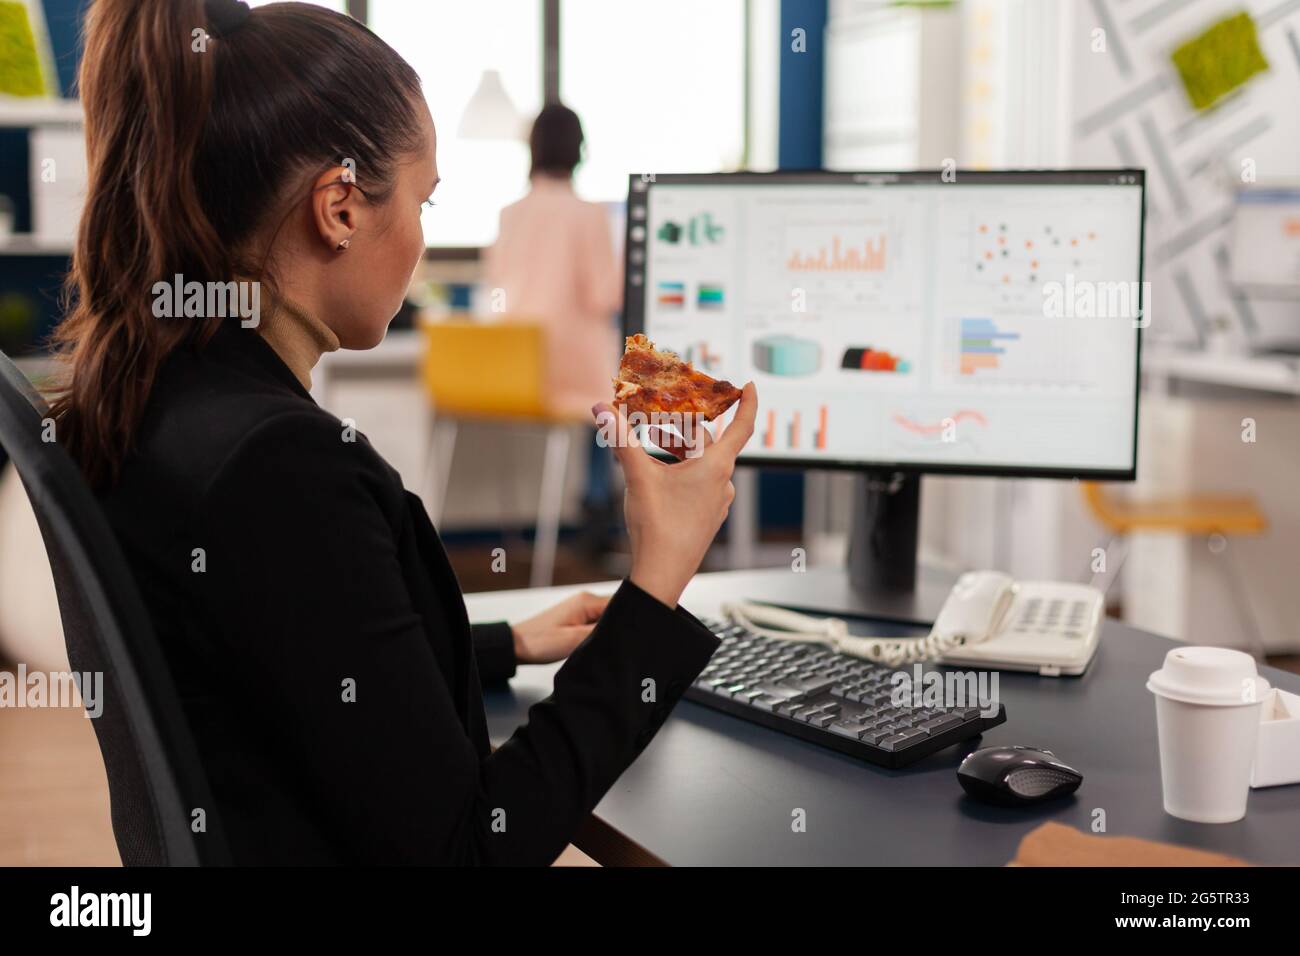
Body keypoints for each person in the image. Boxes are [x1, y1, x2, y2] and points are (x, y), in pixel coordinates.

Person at [49, 0, 755, 866]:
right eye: (424, 199)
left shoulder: (149, 396)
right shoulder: (280, 468)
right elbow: (468, 851)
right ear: (340, 208)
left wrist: (502, 644)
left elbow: (290, 653)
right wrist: (657, 580)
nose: (421, 234)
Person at [482, 103, 622, 549]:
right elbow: (605, 296)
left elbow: (497, 287)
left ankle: (589, 511)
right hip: (573, 373)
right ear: (579, 148)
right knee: (611, 400)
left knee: (600, 395)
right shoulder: (589, 214)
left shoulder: (509, 213)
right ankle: (598, 510)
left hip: (514, 371)